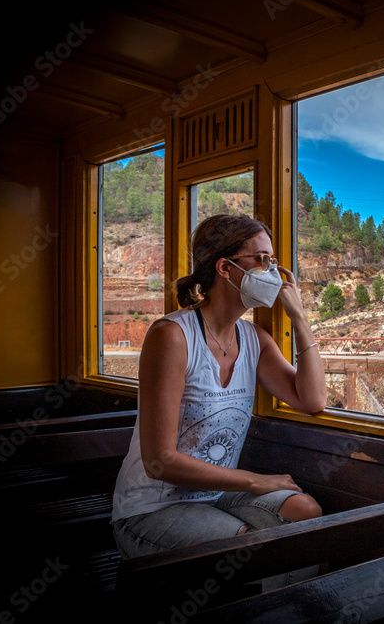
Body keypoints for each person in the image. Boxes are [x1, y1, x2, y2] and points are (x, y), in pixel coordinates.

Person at [110, 214, 327, 580]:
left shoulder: (254, 339)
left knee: (305, 512)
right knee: (250, 550)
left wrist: (300, 318)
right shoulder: (172, 336)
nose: (272, 270)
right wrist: (256, 480)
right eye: (261, 259)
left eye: (272, 261)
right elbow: (159, 462)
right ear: (225, 268)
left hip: (215, 494)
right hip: (150, 509)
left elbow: (312, 400)